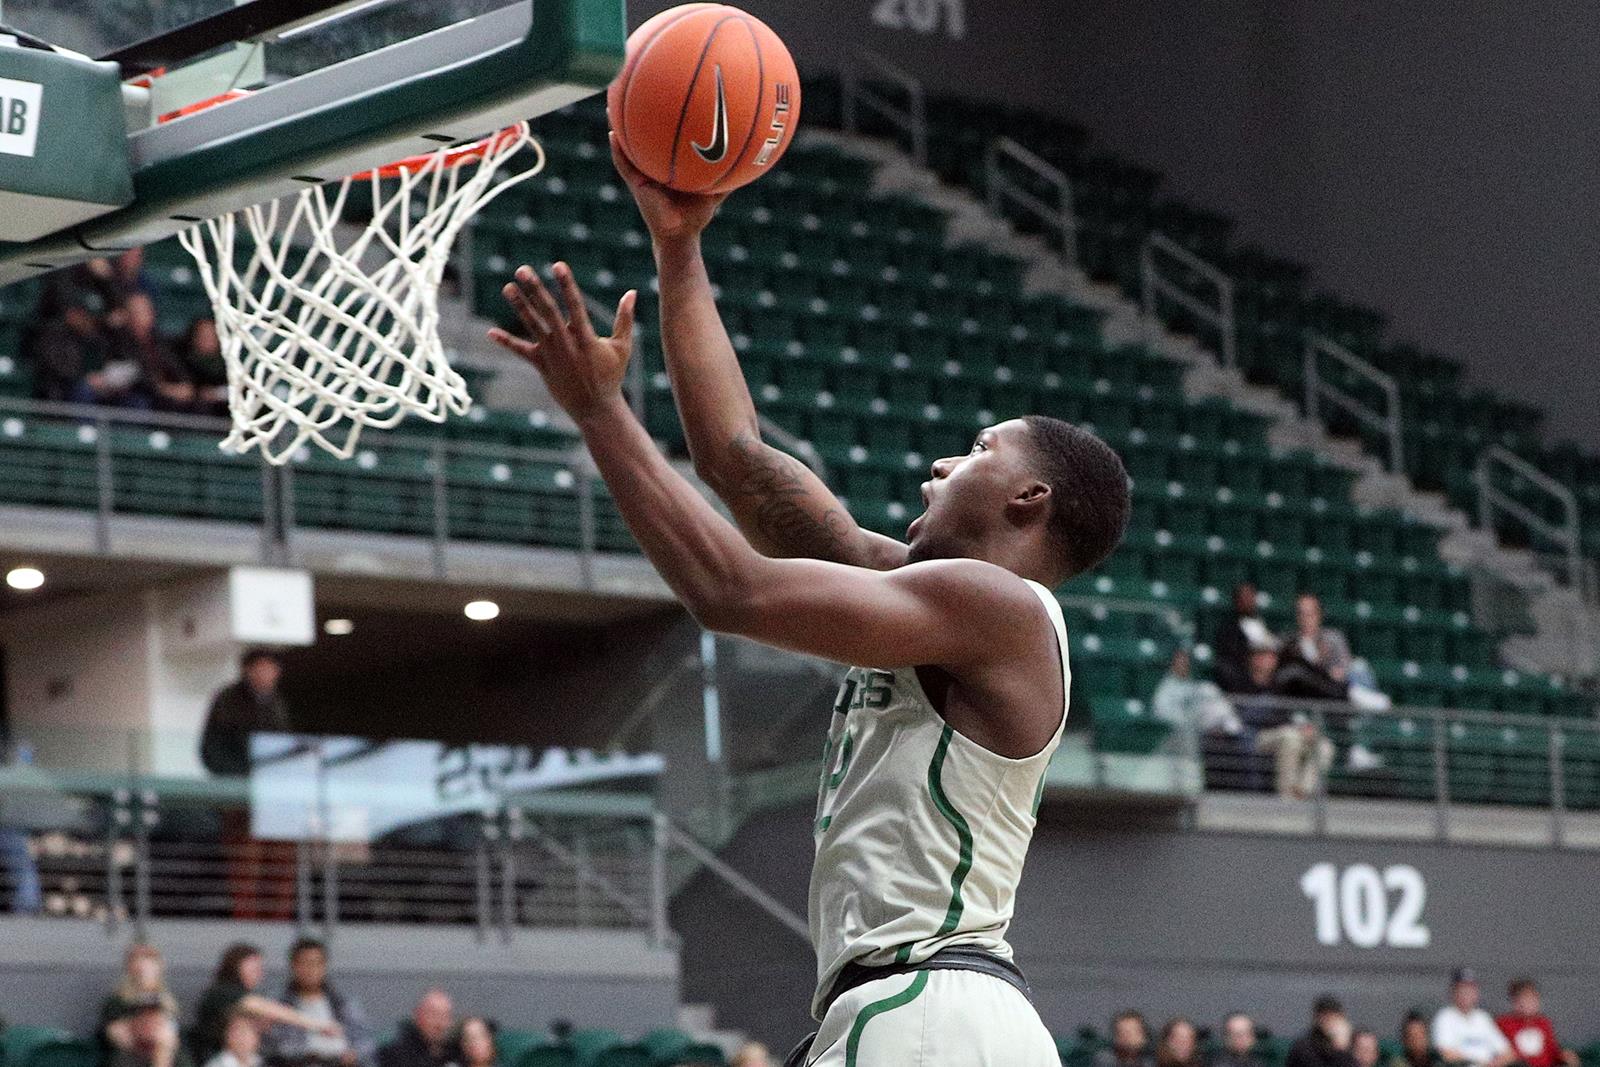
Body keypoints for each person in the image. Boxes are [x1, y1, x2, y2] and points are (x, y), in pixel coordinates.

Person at [485, 136, 1130, 1067]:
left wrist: (599, 412)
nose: (946, 462)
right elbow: (741, 467)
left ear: (1029, 501)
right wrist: (679, 245)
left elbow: (728, 587)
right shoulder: (940, 606)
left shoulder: (998, 605)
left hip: (931, 1008)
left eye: (981, 449)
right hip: (923, 1010)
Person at [200, 649, 293, 920]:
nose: (266, 674)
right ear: (248, 670)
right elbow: (211, 750)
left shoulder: (277, 703)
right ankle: (247, 918)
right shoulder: (227, 700)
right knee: (246, 862)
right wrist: (243, 779)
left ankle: (277, 919)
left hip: (275, 799)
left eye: (271, 668)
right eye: (260, 668)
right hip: (241, 800)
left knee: (280, 861)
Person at [193, 944, 341, 1066]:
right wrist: (318, 1025)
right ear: (236, 967)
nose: (259, 974)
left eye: (260, 969)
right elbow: (269, 1009)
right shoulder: (223, 992)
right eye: (254, 969)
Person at [1238, 646, 1336, 800]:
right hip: (1257, 735)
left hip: (1288, 732)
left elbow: (1292, 712)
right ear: (1253, 658)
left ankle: (1302, 792)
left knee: (1324, 746)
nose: (1267, 660)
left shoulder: (1282, 681)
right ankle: (1287, 797)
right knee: (1290, 737)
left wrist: (1305, 727)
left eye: (1271, 655)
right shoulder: (1243, 681)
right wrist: (1293, 727)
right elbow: (1248, 717)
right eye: (1262, 655)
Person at [266, 938, 376, 1067]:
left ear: (324, 966)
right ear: (293, 966)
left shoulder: (342, 1003)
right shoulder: (278, 1003)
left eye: (316, 963)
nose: (311, 970)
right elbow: (271, 1044)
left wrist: (354, 1053)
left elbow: (365, 1039)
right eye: (304, 963)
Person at [102, 944, 180, 1060]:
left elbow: (172, 1032)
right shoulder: (118, 1001)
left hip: (162, 1053)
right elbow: (114, 1033)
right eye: (138, 962)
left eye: (150, 962)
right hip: (130, 1053)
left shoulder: (166, 1000)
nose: (144, 967)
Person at [1275, 593, 1352, 701]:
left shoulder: (1333, 639)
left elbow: (1343, 668)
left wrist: (1326, 665)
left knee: (1359, 671)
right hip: (1301, 692)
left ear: (1319, 615)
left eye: (1310, 614)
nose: (1305, 619)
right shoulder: (1288, 641)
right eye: (1301, 613)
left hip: (1331, 690)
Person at [1431, 968, 1516, 1067]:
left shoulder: (1483, 1018)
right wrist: (1479, 1062)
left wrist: (1494, 1064)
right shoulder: (1445, 1017)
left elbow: (1509, 1053)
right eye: (1462, 989)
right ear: (1453, 992)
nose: (1466, 993)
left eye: (1470, 989)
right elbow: (1445, 1054)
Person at [1212, 583, 1278, 694]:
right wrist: (1255, 659)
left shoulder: (1264, 624)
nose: (1248, 601)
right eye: (1244, 597)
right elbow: (1230, 653)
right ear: (1237, 601)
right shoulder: (1228, 628)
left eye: (1251, 597)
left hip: (1268, 670)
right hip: (1243, 672)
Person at [1496, 978, 1577, 1067]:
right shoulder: (1504, 1023)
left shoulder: (1543, 1023)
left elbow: (1553, 1050)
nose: (1529, 1004)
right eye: (1524, 1000)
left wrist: (1565, 1056)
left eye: (1532, 999)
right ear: (1515, 1003)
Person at [377, 990, 457, 1067]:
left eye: (445, 1017)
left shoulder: (452, 1052)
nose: (440, 1024)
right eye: (434, 1016)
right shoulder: (396, 1051)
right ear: (418, 1015)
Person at [108, 997, 193, 1067]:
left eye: (154, 1017)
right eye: (144, 1018)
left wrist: (164, 1055)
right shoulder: (125, 1057)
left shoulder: (177, 1056)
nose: (150, 1024)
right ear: (133, 1024)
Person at [1287, 995, 1358, 1067]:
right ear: (1317, 1019)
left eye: (1334, 1016)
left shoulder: (1351, 1042)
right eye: (1326, 1017)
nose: (1330, 1021)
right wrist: (1340, 1049)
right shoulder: (1304, 1047)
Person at [179, 317, 230, 417]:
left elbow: (240, 390)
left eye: (211, 335)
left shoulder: (228, 364)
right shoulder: (183, 362)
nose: (207, 339)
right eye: (203, 335)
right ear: (194, 337)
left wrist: (216, 394)